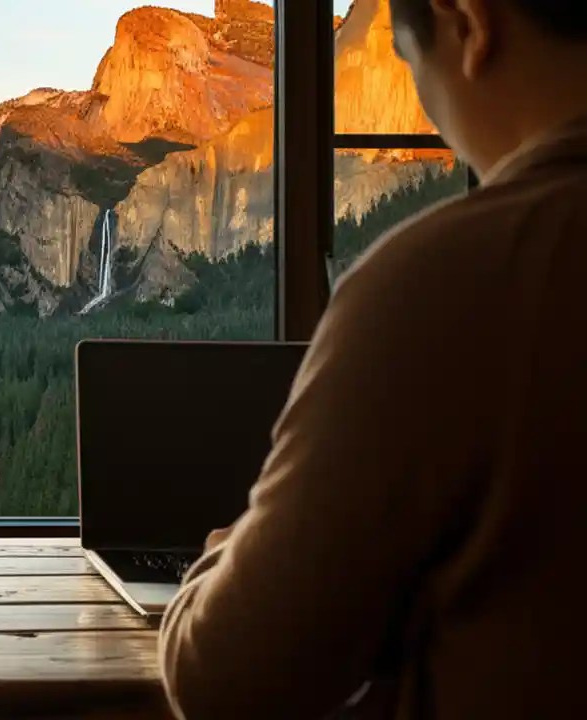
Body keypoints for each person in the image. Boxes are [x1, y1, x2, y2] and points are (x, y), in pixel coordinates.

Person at [157, 0, 587, 717]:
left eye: (409, 61)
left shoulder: (444, 286)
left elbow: (224, 677)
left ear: (468, 23)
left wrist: (221, 557)